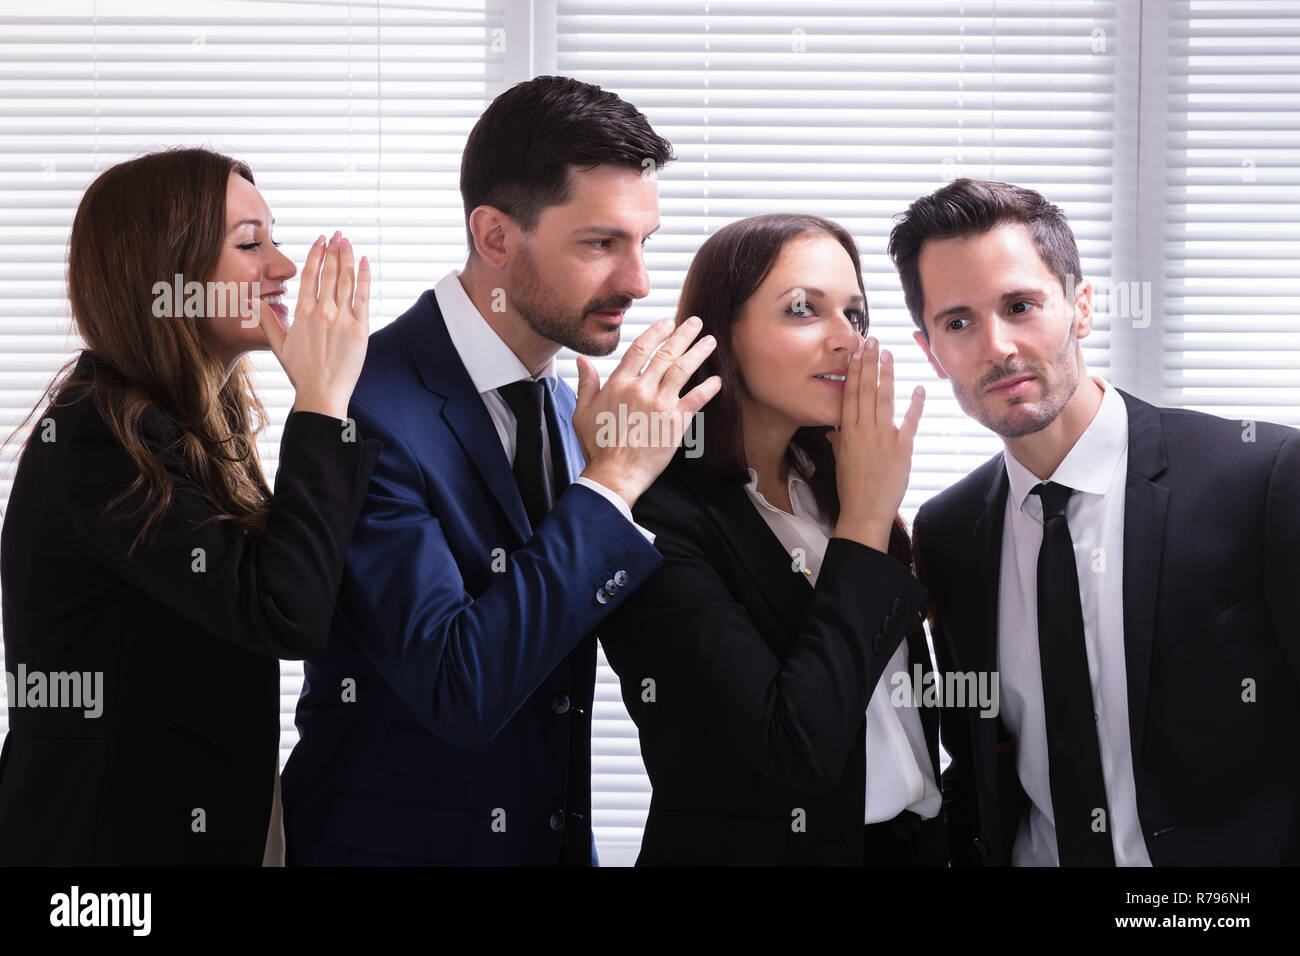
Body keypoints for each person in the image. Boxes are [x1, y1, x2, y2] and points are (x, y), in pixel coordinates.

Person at [281, 75, 720, 866]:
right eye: (600, 243)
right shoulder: (362, 408)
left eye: (644, 241)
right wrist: (610, 484)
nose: (639, 281)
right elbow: (459, 684)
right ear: (494, 238)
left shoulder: (563, 406)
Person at [893, 177, 1300, 866]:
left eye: (1021, 305)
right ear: (930, 349)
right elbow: (979, 766)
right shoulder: (947, 531)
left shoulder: (1260, 476)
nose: (997, 347)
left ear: (1081, 307)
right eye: (958, 322)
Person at [0, 147, 379, 865]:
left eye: (274, 236)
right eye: (249, 243)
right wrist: (323, 402)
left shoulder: (197, 418)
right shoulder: (100, 436)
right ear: (166, 274)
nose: (284, 267)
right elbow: (283, 610)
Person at [599, 214, 944, 866]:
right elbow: (795, 748)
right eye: (803, 310)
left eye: (856, 314)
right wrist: (868, 520)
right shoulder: (657, 523)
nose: (848, 339)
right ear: (723, 335)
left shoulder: (837, 485)